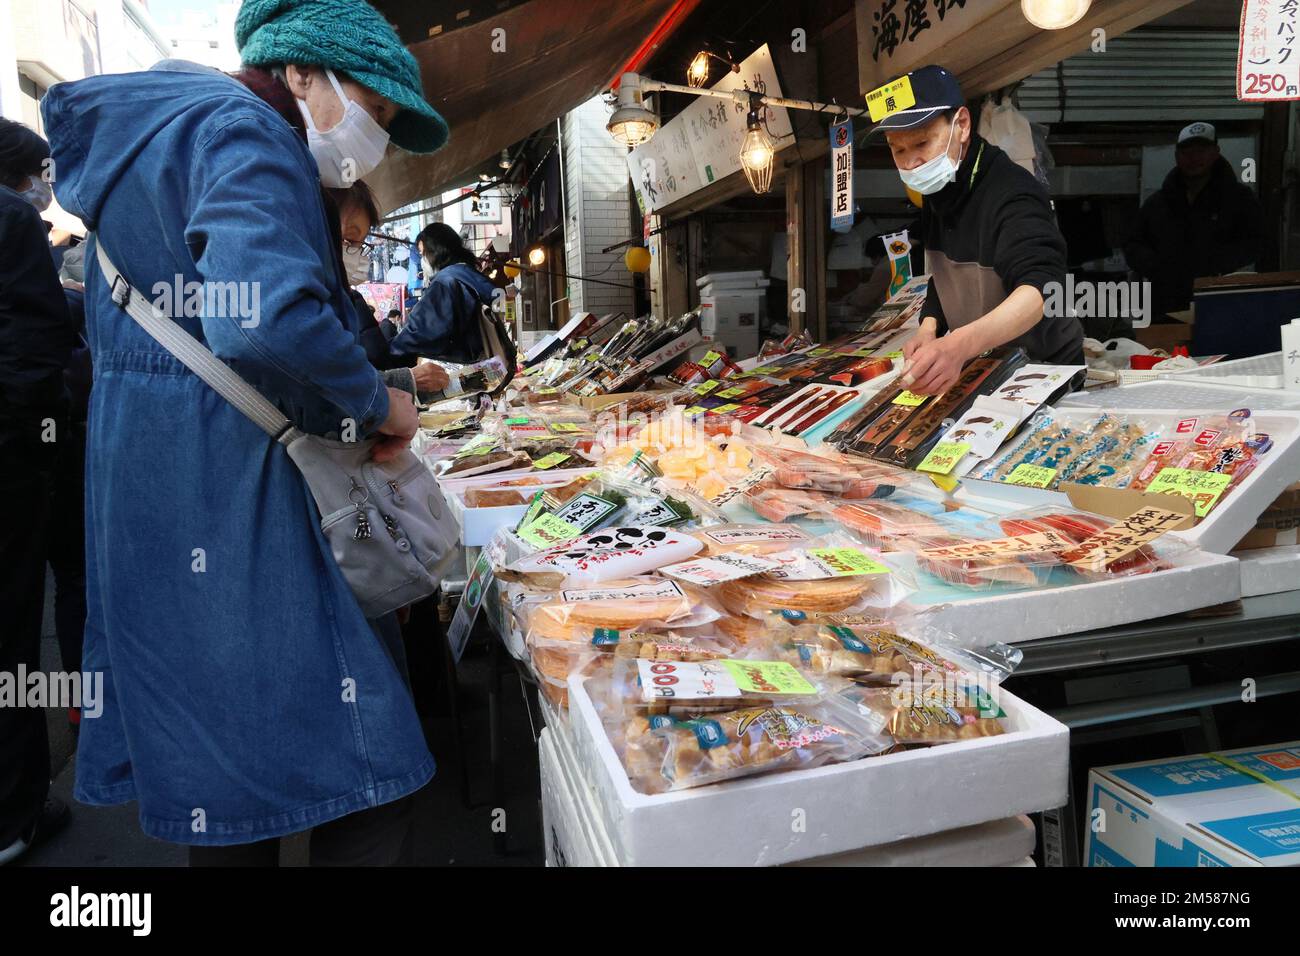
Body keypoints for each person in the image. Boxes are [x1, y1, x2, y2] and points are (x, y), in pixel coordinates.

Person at [40, 0, 450, 866]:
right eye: (373, 110)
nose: (372, 137)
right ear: (302, 73)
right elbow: (266, 322)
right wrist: (380, 407)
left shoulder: (165, 133)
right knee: (369, 759)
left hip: (156, 475)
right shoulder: (247, 131)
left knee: (219, 771)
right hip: (233, 481)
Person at [873, 65, 1079, 396]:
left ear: (963, 125)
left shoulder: (1012, 192)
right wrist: (929, 329)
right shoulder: (938, 193)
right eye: (898, 149)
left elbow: (1041, 289)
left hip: (1042, 373)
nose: (911, 162)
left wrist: (959, 345)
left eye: (922, 142)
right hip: (988, 371)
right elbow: (944, 278)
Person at [0, 119, 76, 865]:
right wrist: (39, 434)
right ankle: (15, 812)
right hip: (10, 463)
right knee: (12, 632)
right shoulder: (13, 222)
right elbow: (38, 335)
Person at [1124, 122, 1268, 318]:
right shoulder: (1158, 202)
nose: (1194, 158)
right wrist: (1157, 266)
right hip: (1165, 308)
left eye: (1201, 151)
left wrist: (1216, 265)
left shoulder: (1239, 199)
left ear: (1215, 152)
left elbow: (1258, 243)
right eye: (1187, 152)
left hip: (1222, 304)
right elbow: (1133, 243)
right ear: (1177, 156)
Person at [328, 179, 449, 395]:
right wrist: (407, 379)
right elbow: (325, 383)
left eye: (360, 243)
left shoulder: (341, 298)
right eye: (349, 239)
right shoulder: (306, 300)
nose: (355, 253)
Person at [389, 222, 498, 364]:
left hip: (460, 367)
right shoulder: (470, 276)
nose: (422, 261)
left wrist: (389, 352)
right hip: (483, 361)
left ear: (436, 251)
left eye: (423, 254)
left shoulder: (445, 282)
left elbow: (421, 331)